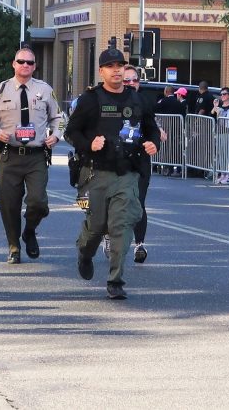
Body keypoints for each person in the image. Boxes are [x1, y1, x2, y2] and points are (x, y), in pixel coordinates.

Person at [65, 48, 160, 300]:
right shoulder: (90, 99)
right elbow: (71, 133)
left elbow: (151, 129)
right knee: (97, 226)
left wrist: (153, 144)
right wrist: (88, 144)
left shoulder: (138, 99)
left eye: (120, 65)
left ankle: (115, 279)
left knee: (121, 226)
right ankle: (85, 253)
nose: (116, 70)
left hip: (127, 173)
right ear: (101, 71)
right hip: (96, 172)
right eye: (110, 66)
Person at [0, 48, 63, 264]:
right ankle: (13, 245)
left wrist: (56, 135)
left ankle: (29, 231)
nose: (25, 65)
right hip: (9, 155)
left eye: (30, 62)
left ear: (35, 66)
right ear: (14, 63)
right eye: (21, 61)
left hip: (36, 156)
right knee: (9, 204)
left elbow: (58, 116)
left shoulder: (45, 90)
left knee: (38, 201)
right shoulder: (1, 89)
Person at [122, 64, 153, 263]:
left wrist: (156, 139)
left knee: (138, 202)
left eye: (135, 80)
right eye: (127, 80)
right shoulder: (109, 100)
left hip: (140, 159)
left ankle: (139, 245)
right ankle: (109, 237)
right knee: (115, 203)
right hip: (116, 159)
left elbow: (153, 127)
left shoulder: (145, 101)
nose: (132, 83)